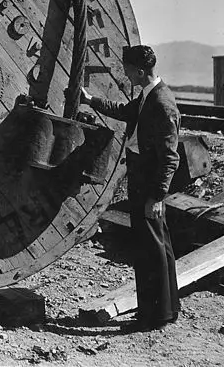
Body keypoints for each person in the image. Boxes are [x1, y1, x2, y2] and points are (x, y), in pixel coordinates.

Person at [80, 45, 181, 331]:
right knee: (158, 245)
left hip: (149, 184)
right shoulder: (148, 95)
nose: (124, 73)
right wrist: (91, 100)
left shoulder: (162, 103)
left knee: (150, 248)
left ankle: (153, 317)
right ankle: (167, 309)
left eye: (126, 68)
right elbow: (125, 111)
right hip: (143, 179)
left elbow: (170, 157)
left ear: (139, 71)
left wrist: (157, 196)